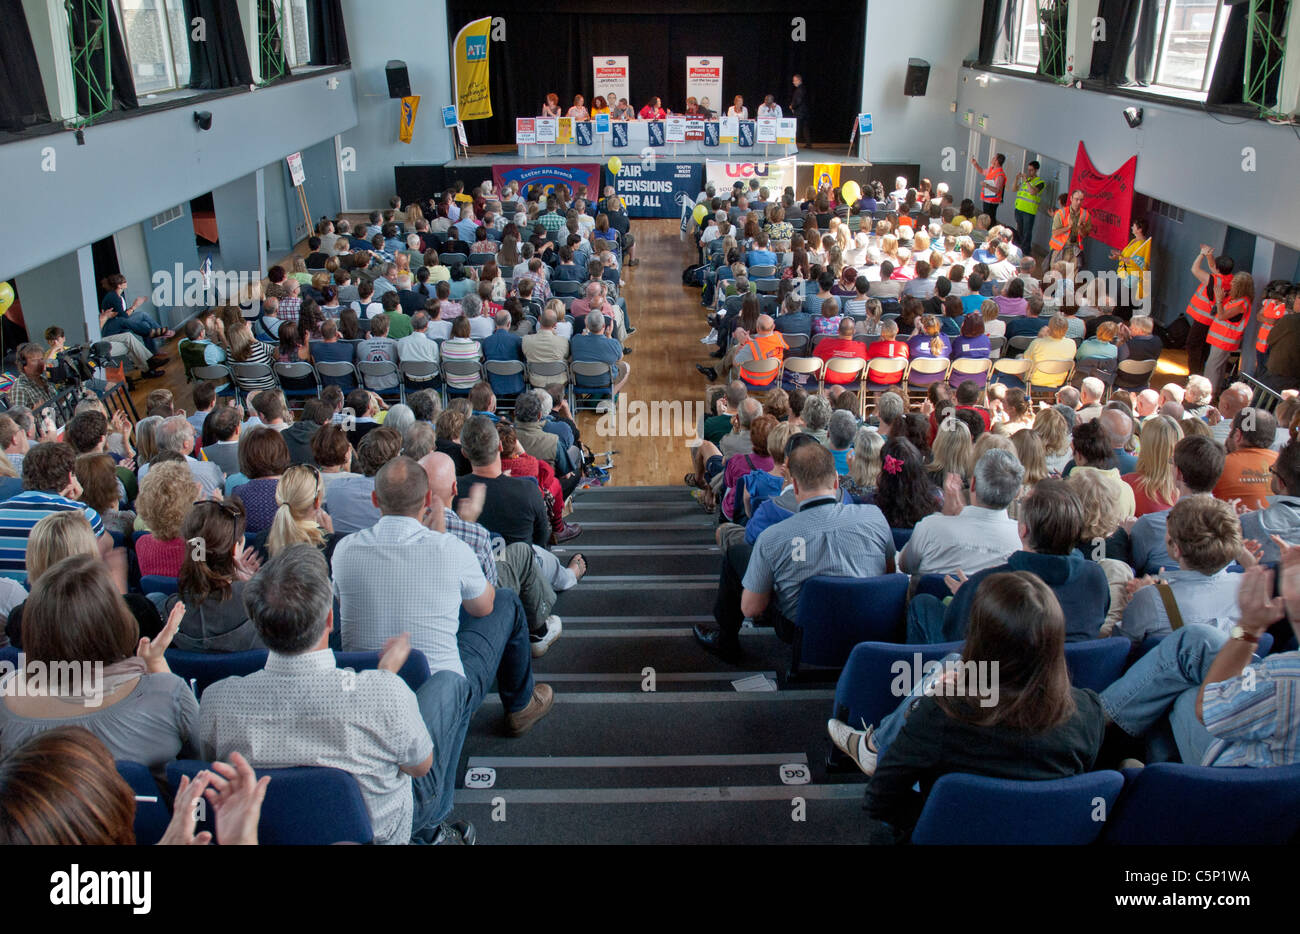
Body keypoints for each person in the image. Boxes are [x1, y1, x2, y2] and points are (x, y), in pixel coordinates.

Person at [831, 571, 1105, 842]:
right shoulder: (1088, 711)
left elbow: (880, 801)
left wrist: (942, 821)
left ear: (979, 638)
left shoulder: (939, 713)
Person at [695, 442, 896, 662]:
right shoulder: (874, 516)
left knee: (737, 553)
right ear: (837, 481)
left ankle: (726, 642)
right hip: (868, 621)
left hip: (800, 629)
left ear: (795, 486)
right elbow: (888, 572)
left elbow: (751, 608)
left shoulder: (773, 537)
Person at [0, 554, 197, 768]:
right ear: (116, 620)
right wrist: (157, 665)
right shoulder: (168, 693)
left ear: (33, 628)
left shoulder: (6, 693)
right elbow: (202, 763)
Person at [1099, 562, 1300, 768]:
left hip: (1242, 775)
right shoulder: (1284, 670)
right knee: (1198, 639)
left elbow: (1208, 709)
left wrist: (1248, 628)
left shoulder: (1282, 678)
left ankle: (1098, 727)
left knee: (1182, 692)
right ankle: (1116, 732)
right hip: (1275, 743)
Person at [907, 478, 1110, 644]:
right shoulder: (1096, 578)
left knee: (922, 604)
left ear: (1023, 531)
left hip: (1001, 683)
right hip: (1068, 683)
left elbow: (956, 638)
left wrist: (967, 598)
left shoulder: (988, 584)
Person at [1117, 496, 1243, 644]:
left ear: (1176, 549)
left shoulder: (1150, 599)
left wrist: (1140, 596)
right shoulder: (1247, 589)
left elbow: (1123, 645)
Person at [899, 448, 1024, 577]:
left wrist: (944, 519)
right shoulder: (1022, 542)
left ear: (973, 483)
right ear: (1016, 492)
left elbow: (904, 565)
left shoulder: (930, 527)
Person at [1184, 245, 1235, 379]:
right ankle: (1198, 373)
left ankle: (1194, 375)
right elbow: (1214, 267)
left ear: (1219, 268)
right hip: (1211, 318)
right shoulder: (1229, 279)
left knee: (1193, 345)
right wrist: (1209, 255)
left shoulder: (1214, 280)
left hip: (1203, 318)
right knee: (1202, 347)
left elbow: (1194, 269)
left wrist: (1201, 254)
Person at [1213, 407, 1278, 511]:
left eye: (1231, 429)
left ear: (1238, 435)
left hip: (1230, 524)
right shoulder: (1285, 465)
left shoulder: (1218, 464)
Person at [1205, 272, 1255, 397]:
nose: (1231, 284)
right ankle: (1214, 393)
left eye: (1235, 283)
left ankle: (1206, 394)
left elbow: (1221, 316)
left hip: (1224, 341)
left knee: (1213, 367)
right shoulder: (1237, 299)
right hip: (1221, 339)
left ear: (1241, 286)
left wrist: (1219, 300)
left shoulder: (1242, 304)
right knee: (1218, 368)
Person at [98, 273, 173, 355]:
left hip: (121, 322)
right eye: (124, 282)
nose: (126, 283)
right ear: (119, 286)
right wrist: (135, 306)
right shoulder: (113, 297)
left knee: (144, 324)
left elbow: (123, 314)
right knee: (142, 315)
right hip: (114, 328)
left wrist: (133, 307)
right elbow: (124, 317)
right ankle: (159, 333)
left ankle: (153, 352)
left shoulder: (120, 296)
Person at [1111, 217, 1153, 305]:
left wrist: (1121, 257)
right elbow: (1126, 256)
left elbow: (1134, 262)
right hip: (1124, 274)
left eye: (1133, 226)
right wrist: (1118, 256)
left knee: (1123, 300)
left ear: (1139, 229)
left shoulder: (1142, 245)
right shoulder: (1134, 240)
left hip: (1132, 277)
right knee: (1119, 298)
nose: (1131, 228)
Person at [1048, 190, 1092, 268]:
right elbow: (1055, 233)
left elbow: (1085, 235)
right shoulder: (1061, 213)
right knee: (1056, 277)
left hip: (1075, 251)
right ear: (1071, 199)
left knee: (1070, 278)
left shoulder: (1086, 215)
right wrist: (1068, 227)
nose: (1079, 202)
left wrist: (1080, 229)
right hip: (1060, 250)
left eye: (1081, 200)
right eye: (1076, 199)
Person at [1011, 160, 1046, 249]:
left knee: (1027, 232)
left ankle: (1025, 250)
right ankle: (1018, 248)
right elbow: (1014, 189)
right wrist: (1016, 179)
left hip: (1029, 211)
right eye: (1028, 170)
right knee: (1019, 230)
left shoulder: (1040, 182)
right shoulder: (1026, 181)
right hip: (1019, 209)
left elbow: (1032, 192)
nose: (1029, 172)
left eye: (1031, 170)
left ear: (1036, 170)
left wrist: (1026, 180)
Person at [970, 153, 1007, 224]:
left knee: (990, 219)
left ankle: (990, 231)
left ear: (997, 161)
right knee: (986, 218)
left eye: (994, 158)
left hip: (992, 201)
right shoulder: (991, 170)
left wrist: (986, 185)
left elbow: (997, 190)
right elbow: (981, 171)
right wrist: (975, 164)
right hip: (987, 199)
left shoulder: (1000, 174)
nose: (992, 159)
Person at [788, 74, 810, 148]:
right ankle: (808, 143)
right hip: (805, 111)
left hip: (800, 112)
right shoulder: (804, 88)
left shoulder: (799, 89)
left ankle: (793, 144)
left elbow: (798, 101)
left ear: (798, 80)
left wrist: (792, 106)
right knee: (805, 128)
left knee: (796, 128)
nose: (793, 82)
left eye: (794, 81)